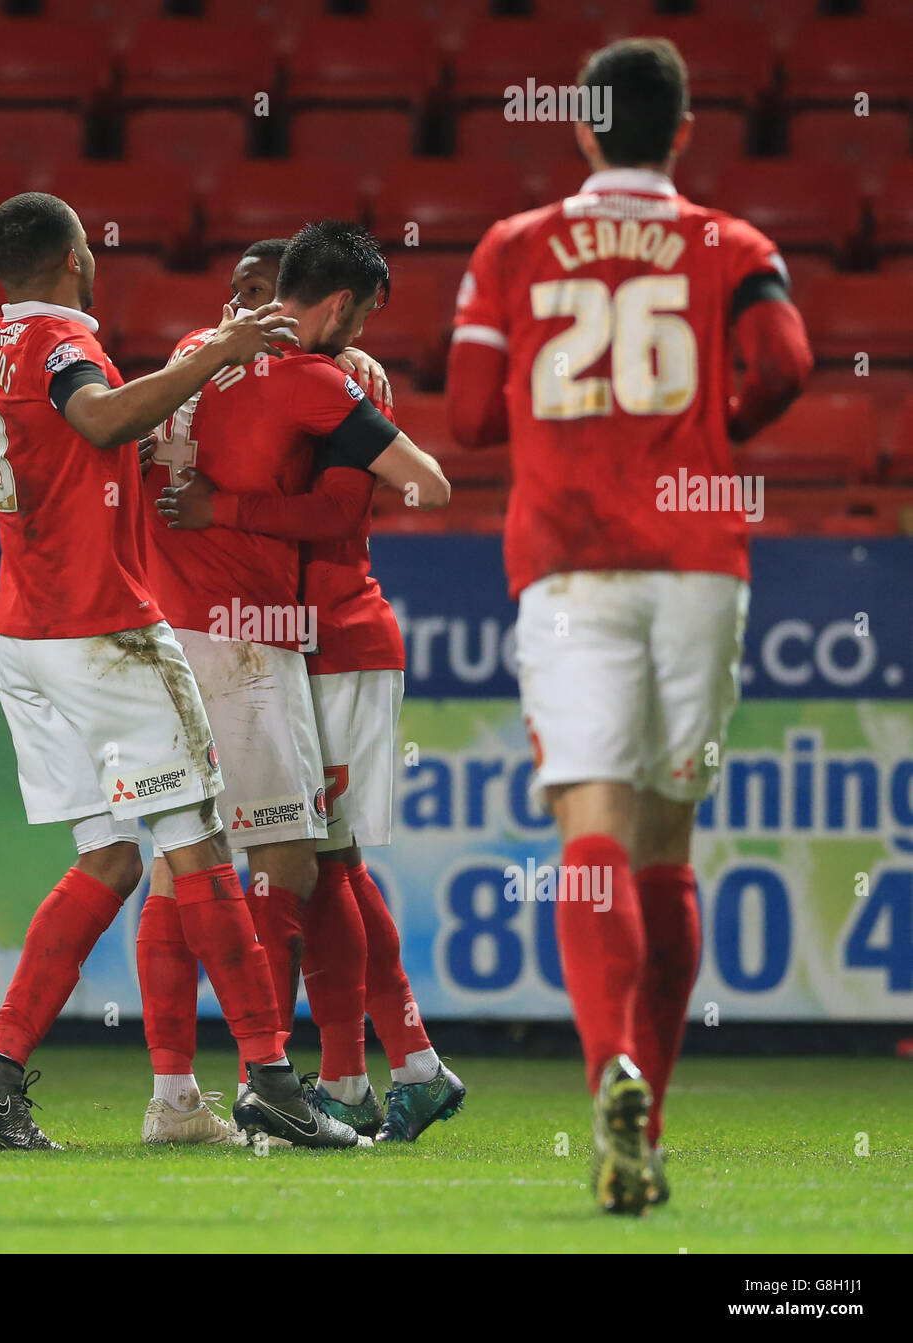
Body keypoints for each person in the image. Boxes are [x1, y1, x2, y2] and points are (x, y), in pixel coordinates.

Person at [446, 39, 812, 1212]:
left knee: (589, 826)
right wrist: (715, 429)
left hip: (567, 567)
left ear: (583, 129)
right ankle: (644, 1104)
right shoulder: (729, 243)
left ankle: (604, 1071)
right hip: (699, 564)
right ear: (684, 131)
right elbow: (790, 364)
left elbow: (461, 416)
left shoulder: (511, 247)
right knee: (667, 842)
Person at [0, 191, 365, 1151]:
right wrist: (219, 355)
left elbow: (82, 445)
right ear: (74, 260)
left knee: (112, 856)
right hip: (107, 633)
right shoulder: (63, 349)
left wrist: (195, 365)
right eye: (89, 245)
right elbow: (95, 419)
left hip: (27, 638)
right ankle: (269, 1079)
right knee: (202, 846)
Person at [137, 221, 452, 1148]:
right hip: (263, 639)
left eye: (254, 288)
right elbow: (425, 485)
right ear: (340, 306)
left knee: (200, 863)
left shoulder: (193, 355)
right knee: (309, 864)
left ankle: (210, 1091)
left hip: (198, 634)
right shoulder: (323, 381)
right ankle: (313, 1083)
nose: (240, 305)